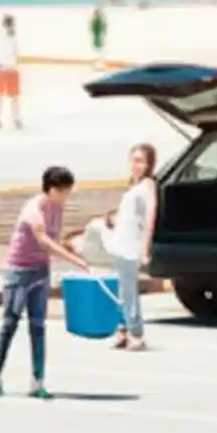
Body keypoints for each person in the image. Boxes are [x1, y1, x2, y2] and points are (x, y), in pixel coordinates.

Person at [0, 166, 91, 400]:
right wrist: (75, 260)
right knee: (10, 322)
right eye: (64, 191)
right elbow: (44, 240)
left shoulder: (57, 208)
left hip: (41, 269)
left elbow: (55, 239)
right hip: (19, 271)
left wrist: (72, 247)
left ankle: (37, 381)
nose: (67, 196)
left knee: (38, 326)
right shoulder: (34, 211)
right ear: (52, 189)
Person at [95, 144, 157, 351]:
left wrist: (145, 249)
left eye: (141, 161)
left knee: (129, 290)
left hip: (132, 245)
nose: (136, 165)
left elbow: (150, 217)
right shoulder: (134, 186)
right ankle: (122, 329)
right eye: (134, 160)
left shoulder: (148, 185)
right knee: (122, 289)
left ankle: (136, 333)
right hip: (121, 241)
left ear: (149, 164)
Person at [0, 15, 22, 130]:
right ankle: (16, 119)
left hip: (3, 69)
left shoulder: (1, 37)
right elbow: (16, 53)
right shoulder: (11, 37)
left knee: (0, 96)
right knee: (13, 97)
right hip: (9, 69)